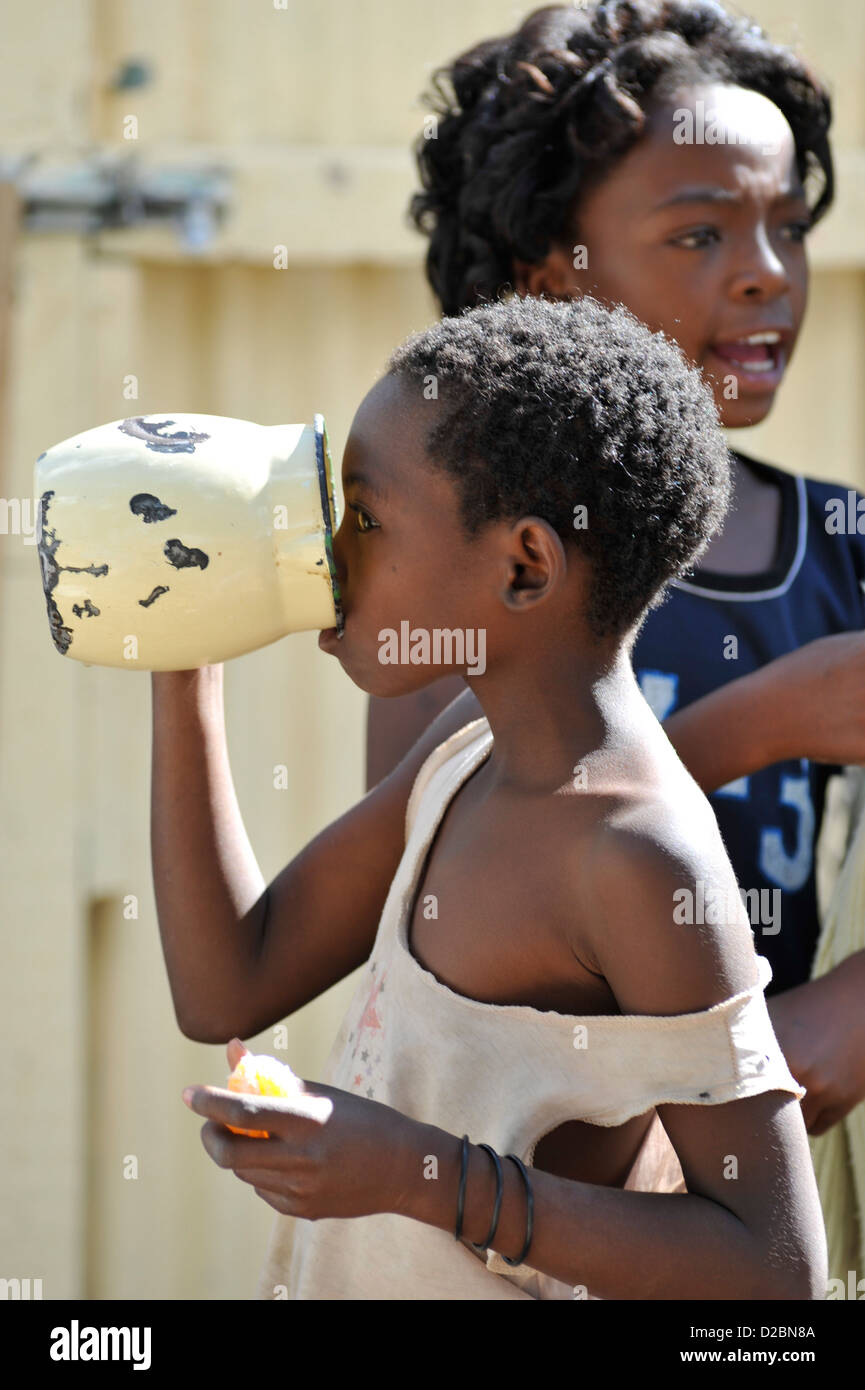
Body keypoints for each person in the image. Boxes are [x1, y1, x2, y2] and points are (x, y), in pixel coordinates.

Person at [165, 294, 824, 1300]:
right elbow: (229, 984)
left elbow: (771, 1267)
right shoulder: (464, 754)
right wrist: (183, 660)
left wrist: (412, 1173)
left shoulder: (635, 853)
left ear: (524, 566)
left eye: (367, 517)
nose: (328, 554)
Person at [366, 0, 865, 1139]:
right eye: (700, 235)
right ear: (550, 280)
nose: (764, 275)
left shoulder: (843, 545)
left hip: (742, 1203)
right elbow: (435, 870)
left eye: (787, 226)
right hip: (504, 1193)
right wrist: (765, 719)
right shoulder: (463, 557)